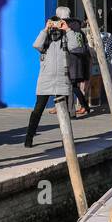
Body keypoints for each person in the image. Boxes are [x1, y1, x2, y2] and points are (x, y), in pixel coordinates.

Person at [24, 9, 73, 148]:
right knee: (37, 110)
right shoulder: (45, 38)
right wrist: (45, 29)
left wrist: (67, 29)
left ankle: (67, 140)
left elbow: (76, 47)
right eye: (53, 23)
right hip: (45, 80)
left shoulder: (66, 36)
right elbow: (36, 45)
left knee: (64, 112)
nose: (55, 26)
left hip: (62, 79)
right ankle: (29, 137)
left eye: (57, 23)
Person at [64, 10, 91, 118]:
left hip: (71, 62)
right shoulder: (80, 32)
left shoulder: (69, 32)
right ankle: (84, 106)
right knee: (74, 86)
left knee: (71, 86)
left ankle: (72, 111)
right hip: (79, 62)